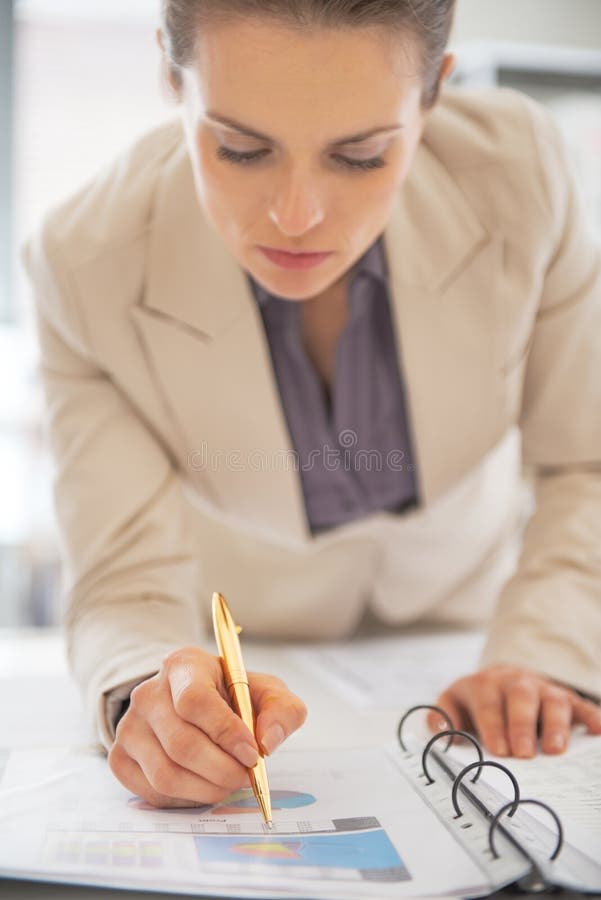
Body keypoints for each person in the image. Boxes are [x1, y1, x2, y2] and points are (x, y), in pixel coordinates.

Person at [23, 0, 601, 810]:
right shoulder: (84, 262)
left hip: (467, 640)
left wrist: (543, 653)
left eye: (360, 156)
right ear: (168, 73)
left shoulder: (521, 173)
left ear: (435, 89)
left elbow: (584, 457)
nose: (296, 216)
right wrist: (149, 690)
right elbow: (124, 570)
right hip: (255, 655)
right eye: (240, 148)